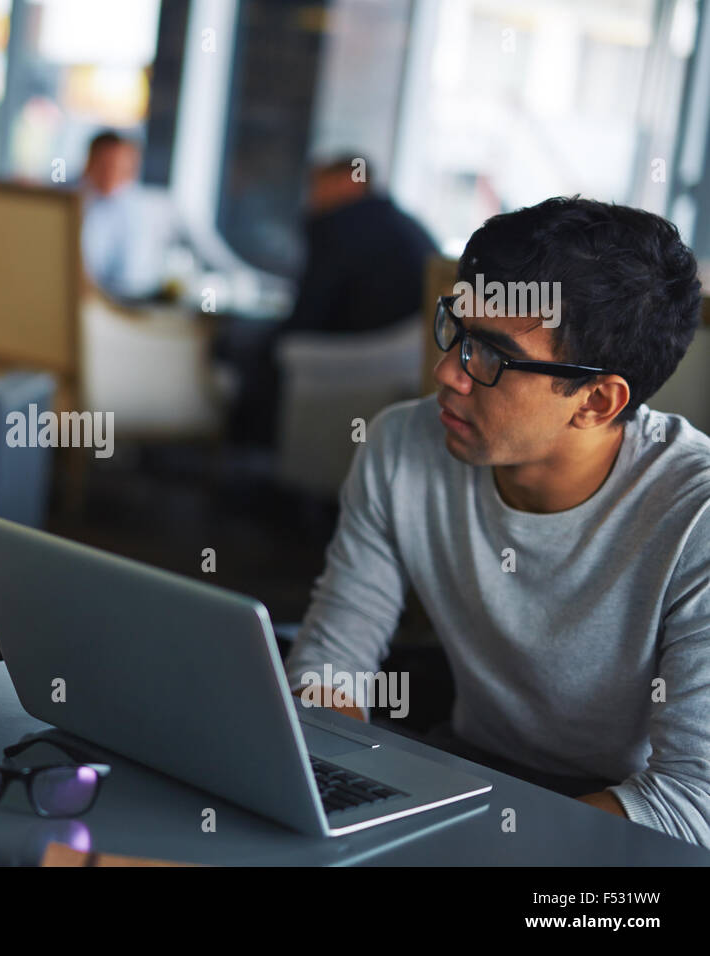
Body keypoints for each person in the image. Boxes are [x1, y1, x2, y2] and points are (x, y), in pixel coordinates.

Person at [288, 196, 710, 847]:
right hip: (462, 768)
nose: (446, 373)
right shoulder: (404, 444)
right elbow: (330, 667)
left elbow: (689, 803)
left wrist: (477, 845)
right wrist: (324, 786)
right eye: (453, 329)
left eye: (489, 356)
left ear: (597, 400)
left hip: (621, 820)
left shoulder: (695, 515)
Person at [281, 154, 437, 333]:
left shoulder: (340, 225)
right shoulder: (394, 220)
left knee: (286, 347)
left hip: (372, 341)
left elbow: (312, 308)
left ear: (349, 182)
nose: (312, 196)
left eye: (320, 184)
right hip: (412, 341)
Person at [78, 130, 174, 301]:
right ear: (89, 162)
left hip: (135, 302)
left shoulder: (152, 206)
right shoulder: (71, 200)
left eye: (120, 166)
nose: (111, 173)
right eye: (105, 165)